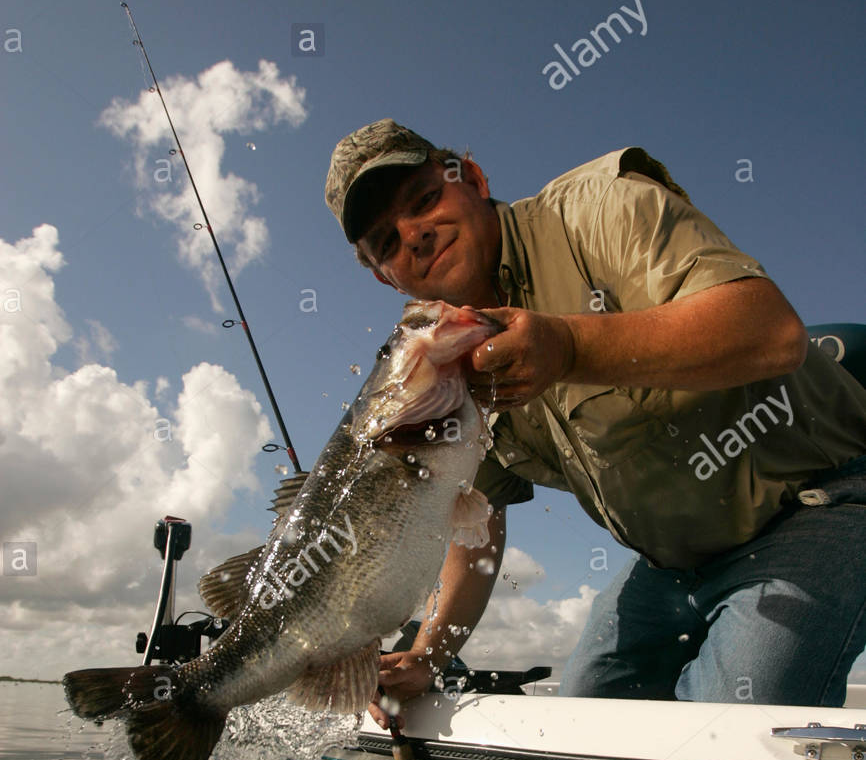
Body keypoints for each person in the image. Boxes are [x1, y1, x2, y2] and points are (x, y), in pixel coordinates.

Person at [324, 120, 866, 728]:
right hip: (667, 567)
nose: (414, 237)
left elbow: (771, 332)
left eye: (424, 201)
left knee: (723, 733)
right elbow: (476, 525)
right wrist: (428, 653)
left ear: (471, 179)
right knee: (583, 730)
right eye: (386, 243)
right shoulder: (444, 367)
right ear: (382, 275)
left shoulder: (600, 210)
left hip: (819, 506)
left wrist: (571, 346)